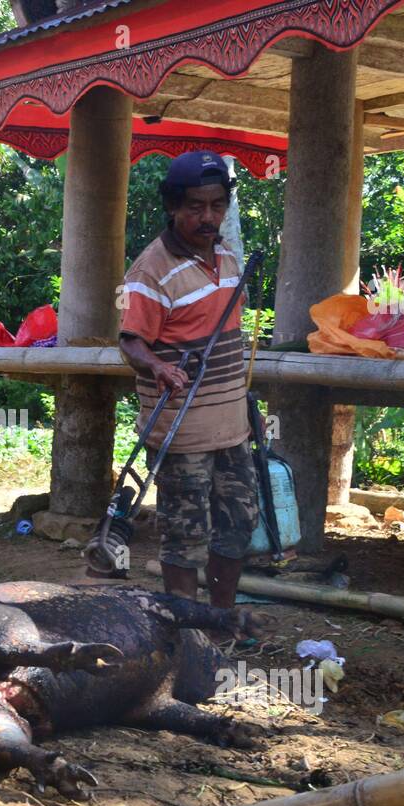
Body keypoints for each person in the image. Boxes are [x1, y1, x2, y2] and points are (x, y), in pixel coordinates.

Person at [117, 151, 258, 643]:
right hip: (181, 431)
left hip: (232, 427)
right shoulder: (149, 271)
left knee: (238, 523)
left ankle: (221, 626)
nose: (208, 217)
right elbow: (130, 339)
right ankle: (187, 640)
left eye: (217, 205)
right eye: (196, 207)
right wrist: (156, 365)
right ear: (174, 207)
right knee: (185, 537)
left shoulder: (228, 256)